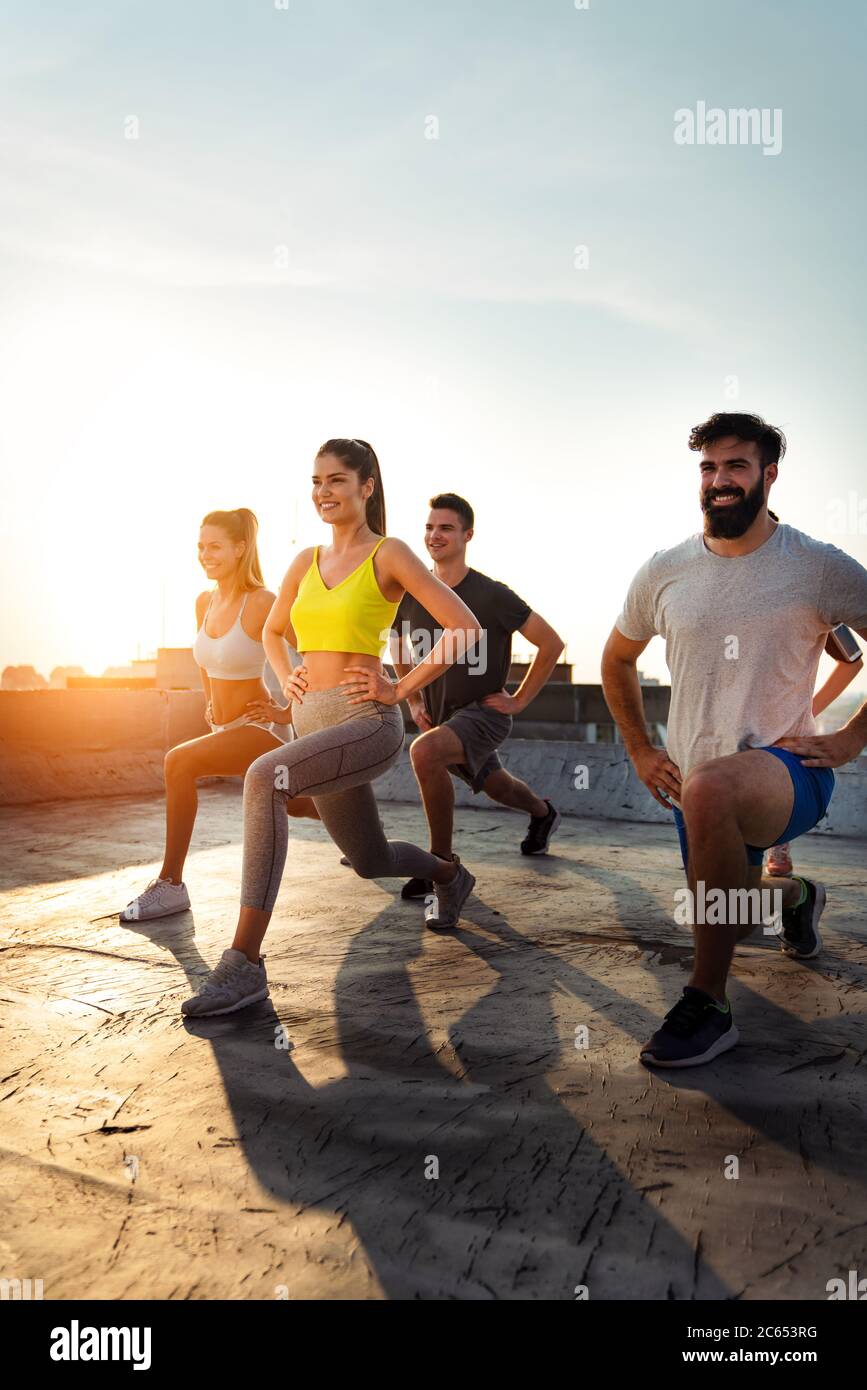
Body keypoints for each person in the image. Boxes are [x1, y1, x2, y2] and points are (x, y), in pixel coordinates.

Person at [181, 440, 484, 1017]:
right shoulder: (303, 561)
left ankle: (244, 963)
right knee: (370, 859)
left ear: (366, 487)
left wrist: (398, 688)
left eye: (338, 480)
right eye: (317, 481)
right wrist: (286, 676)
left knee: (265, 776)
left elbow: (462, 625)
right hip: (312, 724)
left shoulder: (389, 553)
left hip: (366, 723)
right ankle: (449, 874)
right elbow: (274, 633)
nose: (324, 491)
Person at [601, 412, 867, 1068]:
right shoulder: (663, 571)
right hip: (690, 781)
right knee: (727, 909)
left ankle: (708, 1006)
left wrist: (850, 738)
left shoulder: (816, 567)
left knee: (713, 791)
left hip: (786, 774)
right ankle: (797, 898)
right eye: (708, 468)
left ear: (767, 475)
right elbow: (615, 660)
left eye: (736, 466)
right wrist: (639, 747)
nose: (719, 480)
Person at [120, 508, 318, 924]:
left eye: (214, 546)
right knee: (301, 805)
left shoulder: (263, 602)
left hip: (258, 727)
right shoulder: (204, 602)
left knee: (179, 762)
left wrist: (285, 708)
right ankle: (365, 833)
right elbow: (205, 663)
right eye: (200, 546)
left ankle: (171, 884)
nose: (204, 554)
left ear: (240, 548)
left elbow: (312, 657)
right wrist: (210, 702)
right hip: (223, 727)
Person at [391, 493, 564, 902]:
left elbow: (551, 644)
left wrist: (519, 701)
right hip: (443, 717)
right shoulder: (409, 594)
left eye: (446, 528)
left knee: (424, 753)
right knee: (497, 786)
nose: (435, 535)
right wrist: (413, 700)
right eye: (430, 527)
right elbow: (396, 646)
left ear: (468, 535)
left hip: (483, 715)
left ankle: (440, 865)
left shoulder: (492, 595)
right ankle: (543, 813)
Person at [766, 623, 863, 875]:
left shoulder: (809, 589)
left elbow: (852, 662)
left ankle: (778, 840)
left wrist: (806, 710)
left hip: (778, 742)